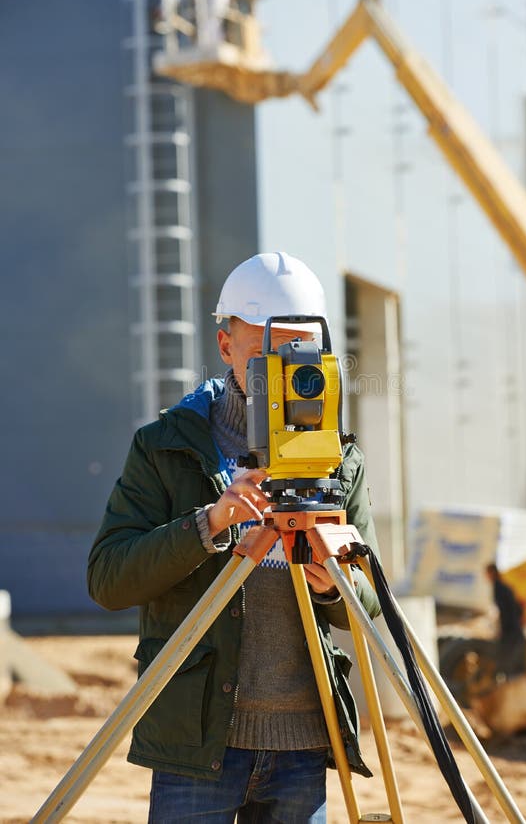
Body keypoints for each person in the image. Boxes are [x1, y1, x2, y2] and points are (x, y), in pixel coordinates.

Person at [88, 251, 381, 823]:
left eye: (301, 352)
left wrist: (334, 585)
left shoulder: (339, 460)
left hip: (304, 747)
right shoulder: (167, 447)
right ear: (225, 346)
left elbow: (369, 606)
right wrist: (208, 524)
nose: (285, 369)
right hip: (198, 747)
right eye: (266, 352)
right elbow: (109, 580)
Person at [485, 563, 526, 678]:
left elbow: (505, 611)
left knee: (507, 660)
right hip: (515, 628)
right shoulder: (505, 586)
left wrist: (502, 630)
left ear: (492, 573)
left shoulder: (498, 588)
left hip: (510, 629)